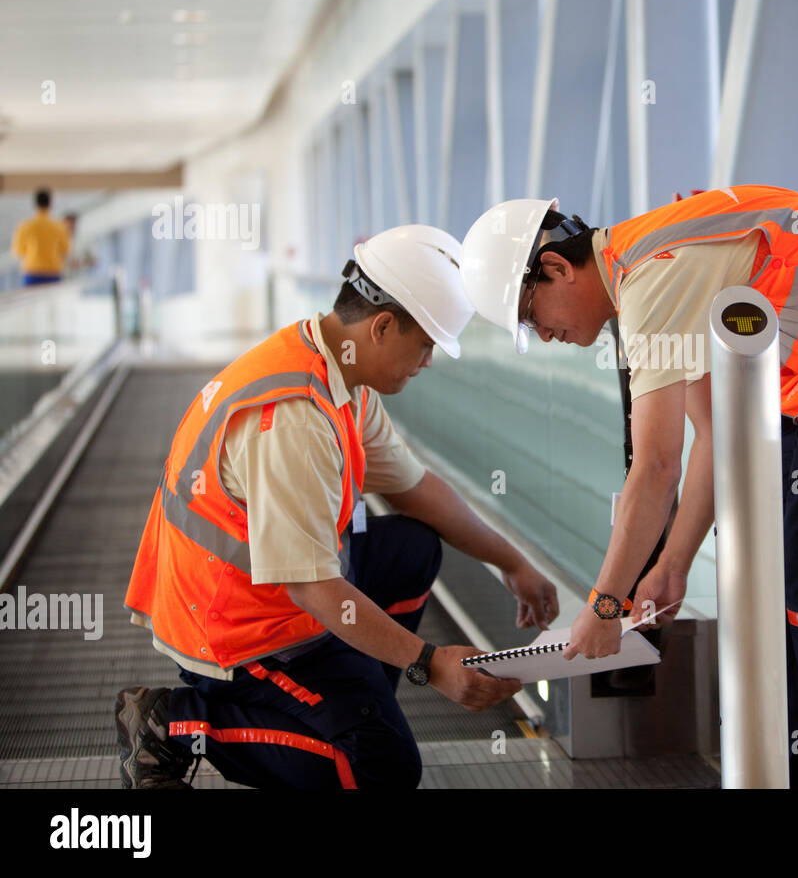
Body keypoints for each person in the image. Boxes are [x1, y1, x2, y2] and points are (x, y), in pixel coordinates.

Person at [459, 185, 798, 788]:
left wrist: (605, 604)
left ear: (557, 267)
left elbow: (657, 468)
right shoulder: (650, 268)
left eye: (533, 316)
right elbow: (714, 429)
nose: (545, 335)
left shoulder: (651, 278)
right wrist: (672, 564)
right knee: (791, 580)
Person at [118, 224, 558, 790]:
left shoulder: (337, 372)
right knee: (380, 768)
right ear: (381, 326)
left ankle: (353, 703)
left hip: (278, 593)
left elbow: (417, 490)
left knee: (412, 545)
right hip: (236, 629)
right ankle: (172, 723)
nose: (427, 363)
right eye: (425, 345)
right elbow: (313, 589)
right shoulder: (294, 417)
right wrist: (428, 662)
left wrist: (512, 561)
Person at [10, 187, 70, 285]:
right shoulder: (59, 227)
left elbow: (18, 251)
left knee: (32, 300)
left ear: (35, 204)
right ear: (50, 204)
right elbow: (65, 250)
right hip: (53, 272)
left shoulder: (25, 226)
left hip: (32, 272)